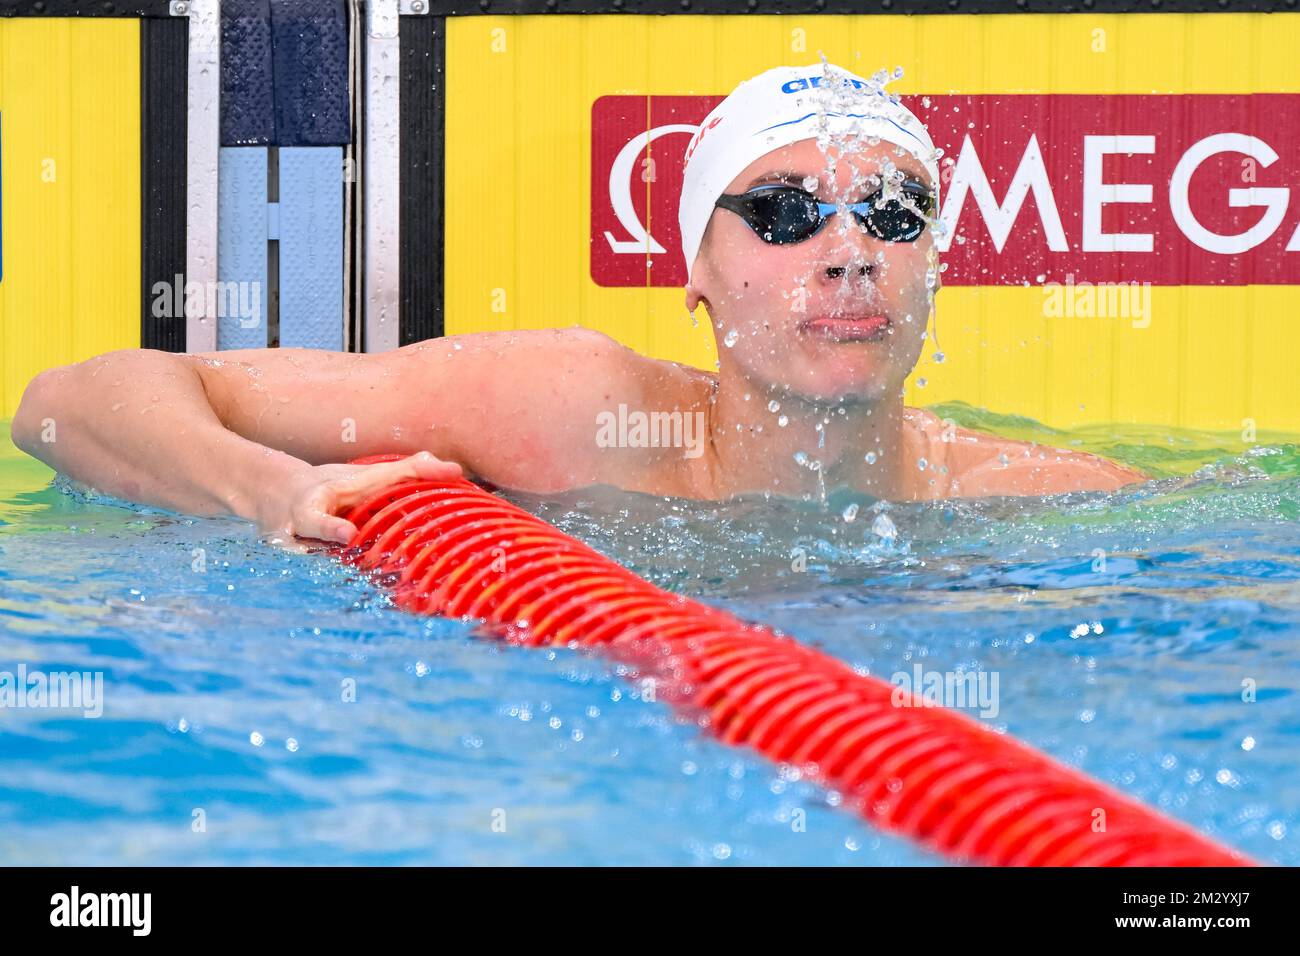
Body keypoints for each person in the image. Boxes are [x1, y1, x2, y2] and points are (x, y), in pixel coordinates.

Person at [11, 62, 1144, 546]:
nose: (849, 254)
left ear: (935, 264)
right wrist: (277, 489)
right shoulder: (568, 411)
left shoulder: (1042, 504)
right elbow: (65, 404)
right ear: (691, 271)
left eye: (894, 214)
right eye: (787, 212)